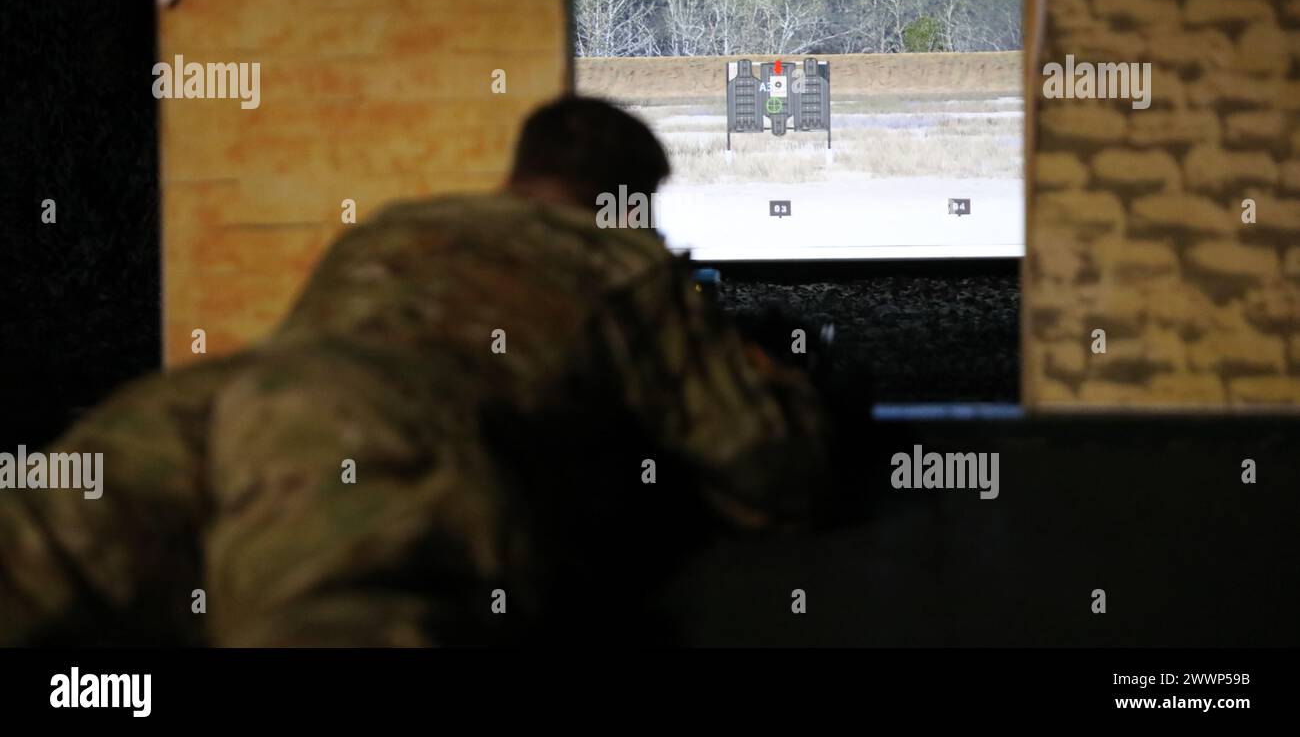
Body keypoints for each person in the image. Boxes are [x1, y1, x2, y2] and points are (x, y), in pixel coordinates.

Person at [0, 96, 827, 646]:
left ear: (516, 175)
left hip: (211, 400)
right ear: (630, 195)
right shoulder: (624, 262)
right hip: (367, 434)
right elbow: (761, 462)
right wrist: (782, 381)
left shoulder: (399, 227)